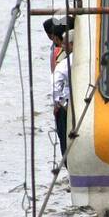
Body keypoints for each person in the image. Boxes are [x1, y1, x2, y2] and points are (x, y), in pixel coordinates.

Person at [51, 31, 72, 160]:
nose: (62, 47)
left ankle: (67, 161)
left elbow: (55, 82)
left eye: (65, 44)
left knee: (64, 138)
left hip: (67, 105)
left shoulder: (65, 62)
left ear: (72, 44)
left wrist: (57, 102)